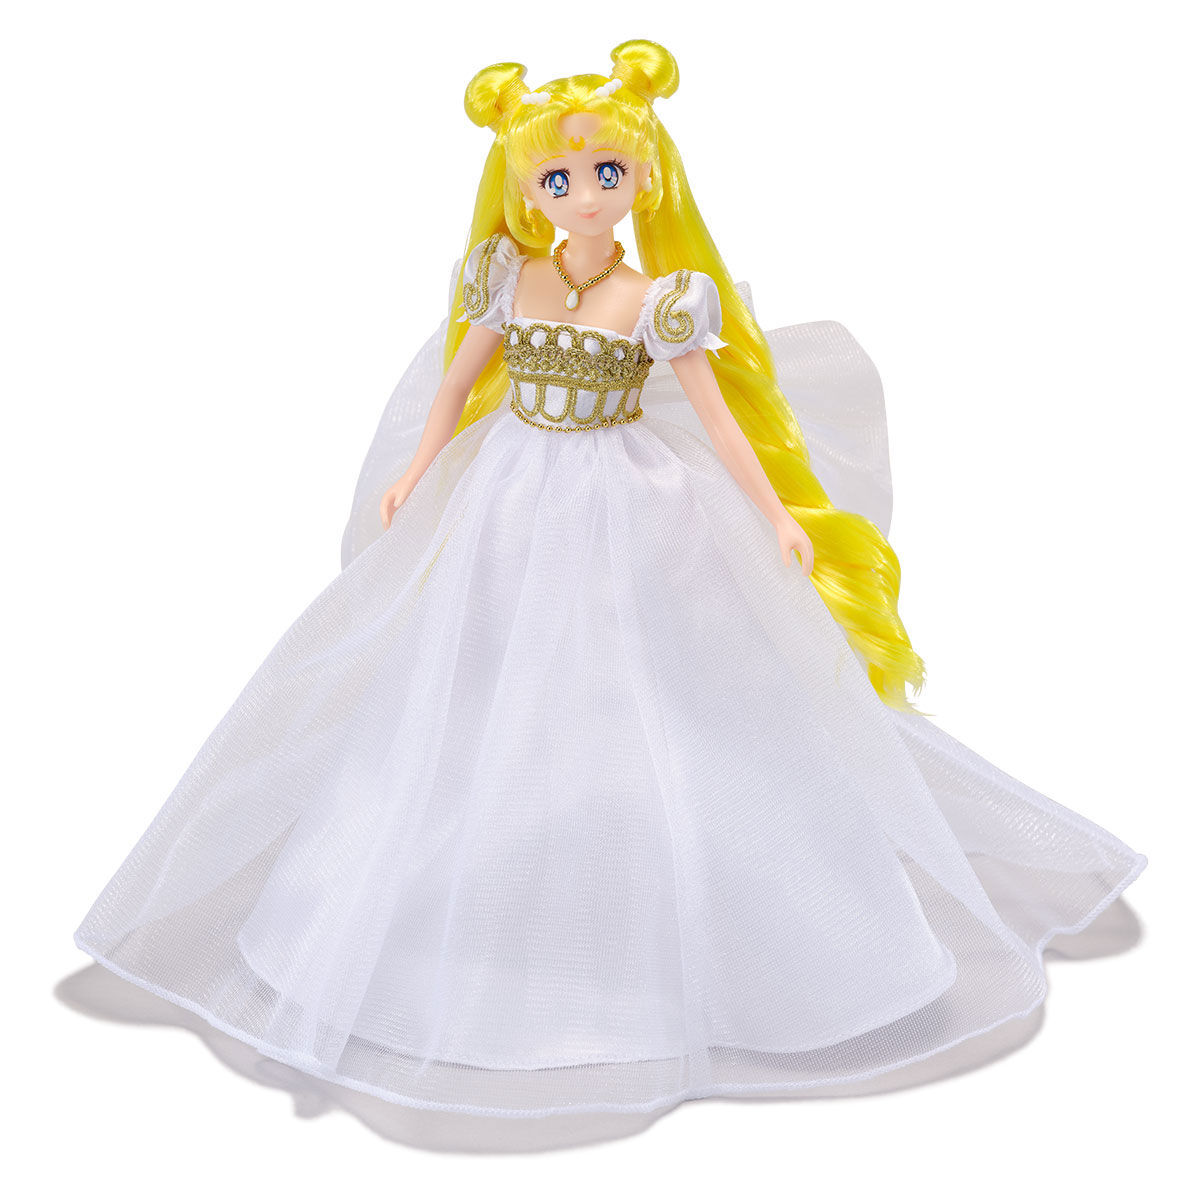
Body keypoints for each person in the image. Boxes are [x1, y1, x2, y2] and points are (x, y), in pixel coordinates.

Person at [74, 38, 1146, 1124]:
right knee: (475, 681)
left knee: (645, 686)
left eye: (606, 173)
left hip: (624, 499)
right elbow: (458, 377)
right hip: (509, 495)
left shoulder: (659, 298)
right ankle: (477, 884)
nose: (584, 196)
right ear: (525, 187)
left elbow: (722, 419)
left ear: (645, 178)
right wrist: (416, 468)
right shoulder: (511, 276)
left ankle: (660, 891)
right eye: (558, 177)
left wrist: (779, 511)